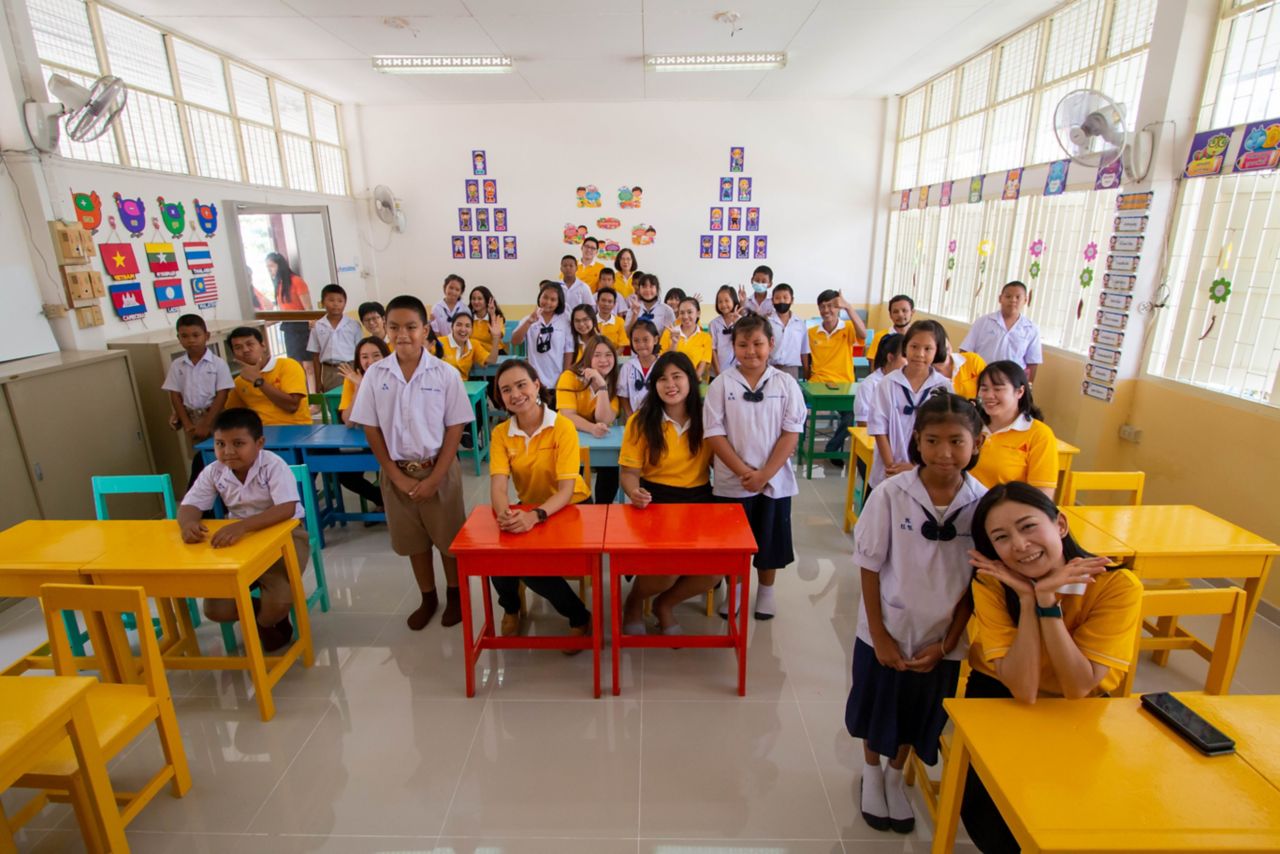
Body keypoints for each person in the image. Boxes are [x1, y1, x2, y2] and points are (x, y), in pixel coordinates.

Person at [963, 482, 1142, 853]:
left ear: (1060, 524)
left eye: (1029, 527)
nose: (1020, 545)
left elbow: (1078, 687)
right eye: (1001, 537)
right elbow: (1024, 690)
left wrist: (1045, 601)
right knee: (997, 825)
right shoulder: (992, 582)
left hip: (1077, 710)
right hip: (1000, 699)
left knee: (1076, 816)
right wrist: (1029, 603)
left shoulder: (1116, 586)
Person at [846, 389, 987, 835]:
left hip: (941, 637)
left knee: (916, 712)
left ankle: (895, 775)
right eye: (931, 441)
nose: (944, 453)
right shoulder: (891, 494)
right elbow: (869, 567)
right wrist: (881, 636)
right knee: (877, 706)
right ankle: (872, 771)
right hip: (887, 627)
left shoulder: (983, 504)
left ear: (977, 443)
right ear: (916, 441)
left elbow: (976, 584)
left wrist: (948, 642)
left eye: (956, 441)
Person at [349, 294, 474, 630]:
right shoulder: (376, 374)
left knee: (448, 540)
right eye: (394, 327)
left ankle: (455, 594)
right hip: (397, 472)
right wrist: (394, 475)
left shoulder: (445, 374)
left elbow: (455, 427)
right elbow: (371, 429)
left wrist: (436, 477)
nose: (402, 334)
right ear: (385, 330)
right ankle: (427, 596)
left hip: (439, 469)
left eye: (410, 327)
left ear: (426, 329)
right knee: (413, 540)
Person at [178, 407, 309, 652]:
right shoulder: (214, 471)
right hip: (239, 540)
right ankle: (263, 617)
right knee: (215, 609)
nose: (228, 452)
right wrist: (188, 524)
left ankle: (266, 622)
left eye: (238, 443)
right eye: (220, 444)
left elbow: (287, 508)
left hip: (285, 535)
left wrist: (242, 526)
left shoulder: (273, 465)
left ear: (259, 443)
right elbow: (190, 505)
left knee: (279, 601)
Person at [704, 313, 806, 620]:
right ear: (733, 345)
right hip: (732, 481)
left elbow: (792, 433)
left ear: (771, 344)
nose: (751, 351)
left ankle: (766, 593)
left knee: (770, 540)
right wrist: (742, 472)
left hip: (774, 480)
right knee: (731, 544)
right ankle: (734, 590)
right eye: (743, 344)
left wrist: (764, 474)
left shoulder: (786, 383)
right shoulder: (721, 384)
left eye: (758, 344)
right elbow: (713, 432)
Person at [488, 359, 593, 645]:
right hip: (529, 505)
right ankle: (511, 607)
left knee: (530, 567)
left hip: (573, 507)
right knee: (497, 555)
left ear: (536, 385)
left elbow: (566, 489)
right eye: (506, 389)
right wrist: (504, 515)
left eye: (521, 385)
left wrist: (535, 516)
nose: (515, 394)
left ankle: (580, 617)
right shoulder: (500, 433)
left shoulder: (562, 427)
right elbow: (498, 485)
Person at [619, 351, 717, 635]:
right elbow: (628, 473)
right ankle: (634, 602)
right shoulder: (640, 421)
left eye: (677, 376)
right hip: (655, 501)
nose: (670, 384)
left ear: (691, 379)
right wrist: (634, 492)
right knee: (667, 568)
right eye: (662, 379)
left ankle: (665, 604)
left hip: (699, 500)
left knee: (715, 569)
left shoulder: (707, 417)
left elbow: (719, 463)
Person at [867, 320, 951, 488]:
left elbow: (945, 432)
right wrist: (891, 467)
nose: (920, 354)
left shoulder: (944, 387)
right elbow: (879, 429)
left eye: (928, 349)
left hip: (926, 472)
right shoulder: (887, 383)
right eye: (914, 346)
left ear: (938, 351)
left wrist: (917, 468)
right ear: (905, 347)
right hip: (887, 472)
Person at [162, 313, 234, 486]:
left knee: (221, 456)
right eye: (184, 336)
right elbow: (175, 395)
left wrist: (207, 423)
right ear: (178, 338)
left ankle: (222, 491)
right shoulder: (177, 365)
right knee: (200, 457)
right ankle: (205, 495)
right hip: (191, 418)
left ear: (206, 336)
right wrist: (187, 423)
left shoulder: (217, 364)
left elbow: (222, 394)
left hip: (215, 416)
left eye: (196, 335)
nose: (191, 340)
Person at [971, 361, 1058, 497]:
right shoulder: (970, 425)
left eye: (998, 389)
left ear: (1020, 392)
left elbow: (1042, 496)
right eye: (984, 388)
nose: (988, 395)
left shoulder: (1039, 435)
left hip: (1006, 513)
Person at [556, 335, 621, 503]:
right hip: (570, 437)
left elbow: (604, 419)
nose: (603, 360)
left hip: (600, 440)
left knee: (611, 470)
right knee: (573, 478)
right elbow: (567, 415)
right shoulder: (569, 377)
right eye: (597, 355)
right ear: (587, 357)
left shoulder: (614, 380)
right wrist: (592, 428)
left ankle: (601, 508)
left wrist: (601, 386)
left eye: (608, 355)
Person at [808, 289, 868, 462]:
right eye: (822, 306)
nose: (826, 310)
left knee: (850, 415)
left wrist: (848, 307)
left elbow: (863, 334)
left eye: (831, 306)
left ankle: (832, 448)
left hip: (844, 385)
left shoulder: (848, 328)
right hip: (817, 384)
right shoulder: (812, 333)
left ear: (838, 308)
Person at [335, 336, 390, 513]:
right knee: (345, 476)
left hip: (392, 442)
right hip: (366, 442)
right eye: (364, 356)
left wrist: (365, 385)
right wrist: (359, 387)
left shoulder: (394, 376)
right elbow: (349, 421)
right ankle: (381, 499)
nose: (370, 361)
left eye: (376, 355)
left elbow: (388, 415)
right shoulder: (353, 379)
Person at [224, 326, 311, 425]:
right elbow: (231, 414)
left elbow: (292, 406)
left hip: (296, 431)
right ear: (234, 355)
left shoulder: (287, 365)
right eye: (238, 347)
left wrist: (258, 380)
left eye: (250, 344)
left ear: (263, 346)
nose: (246, 350)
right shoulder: (240, 381)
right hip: (260, 433)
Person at [960, 281, 1043, 381]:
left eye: (1018, 297)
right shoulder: (983, 322)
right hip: (982, 377)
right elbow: (965, 350)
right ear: (1000, 299)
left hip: (1013, 382)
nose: (1013, 300)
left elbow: (1032, 362)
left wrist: (1028, 386)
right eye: (1008, 296)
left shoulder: (1031, 329)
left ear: (1025, 300)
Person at [512, 281, 574, 390]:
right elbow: (515, 341)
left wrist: (564, 377)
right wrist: (529, 322)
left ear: (559, 302)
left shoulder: (565, 321)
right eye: (545, 297)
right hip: (534, 379)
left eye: (553, 299)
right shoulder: (528, 318)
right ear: (539, 297)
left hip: (557, 378)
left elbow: (568, 351)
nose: (548, 302)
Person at [307, 283, 362, 392]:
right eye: (331, 300)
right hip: (329, 370)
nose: (336, 304)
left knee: (352, 401)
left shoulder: (353, 325)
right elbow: (315, 355)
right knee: (333, 403)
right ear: (323, 303)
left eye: (340, 301)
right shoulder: (317, 326)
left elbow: (360, 352)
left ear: (345, 303)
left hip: (350, 368)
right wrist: (318, 381)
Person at [266, 253, 313, 377]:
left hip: (302, 327)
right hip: (289, 328)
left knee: (308, 365)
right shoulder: (279, 285)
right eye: (267, 267)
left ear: (280, 265)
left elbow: (308, 307)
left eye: (272, 266)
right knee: (295, 364)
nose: (270, 270)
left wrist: (311, 324)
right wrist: (267, 322)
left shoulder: (296, 281)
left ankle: (313, 393)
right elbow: (284, 311)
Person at [854, 334, 906, 428]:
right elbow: (863, 424)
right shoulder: (869, 385)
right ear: (890, 358)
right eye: (905, 356)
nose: (910, 361)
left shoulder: (909, 383)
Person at [660, 297, 713, 381]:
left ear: (698, 313)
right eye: (682, 313)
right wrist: (674, 343)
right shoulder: (669, 332)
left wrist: (690, 383)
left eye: (689, 312)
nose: (685, 316)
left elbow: (702, 365)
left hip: (694, 382)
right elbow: (664, 361)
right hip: (671, 381)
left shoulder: (706, 338)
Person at [768, 284, 810, 379]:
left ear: (792, 300)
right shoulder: (767, 322)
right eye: (777, 298)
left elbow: (804, 351)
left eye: (785, 297)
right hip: (770, 368)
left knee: (791, 393)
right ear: (772, 300)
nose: (781, 301)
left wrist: (807, 372)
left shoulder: (800, 324)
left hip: (792, 369)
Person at [440, 310, 499, 380]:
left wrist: (495, 337)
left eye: (467, 326)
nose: (463, 329)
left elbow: (491, 360)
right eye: (459, 325)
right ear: (452, 327)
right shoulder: (439, 342)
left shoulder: (473, 345)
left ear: (471, 329)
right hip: (441, 387)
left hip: (463, 386)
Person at [619, 319, 660, 417]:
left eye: (646, 340)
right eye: (636, 340)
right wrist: (630, 417)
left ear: (655, 340)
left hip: (659, 419)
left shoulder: (662, 365)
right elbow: (623, 395)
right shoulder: (627, 367)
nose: (641, 345)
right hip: (635, 417)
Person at [624, 273, 675, 337]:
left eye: (651, 286)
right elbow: (628, 335)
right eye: (644, 287)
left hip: (660, 346)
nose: (647, 290)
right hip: (637, 346)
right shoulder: (633, 308)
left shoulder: (667, 310)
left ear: (657, 289)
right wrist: (634, 315)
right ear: (639, 289)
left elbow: (670, 334)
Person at [866, 294, 914, 363]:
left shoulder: (918, 336)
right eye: (895, 312)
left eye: (904, 310)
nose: (900, 315)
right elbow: (874, 364)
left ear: (912, 312)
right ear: (890, 315)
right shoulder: (880, 336)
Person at [709, 284, 744, 376]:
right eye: (720, 301)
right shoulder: (714, 324)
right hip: (718, 372)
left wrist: (737, 323)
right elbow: (713, 349)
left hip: (739, 371)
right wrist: (717, 371)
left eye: (726, 301)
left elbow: (745, 341)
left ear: (734, 301)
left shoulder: (742, 321)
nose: (723, 304)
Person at [467, 286, 505, 355]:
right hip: (475, 355)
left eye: (480, 299)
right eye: (473, 299)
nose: (476, 302)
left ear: (487, 300)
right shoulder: (468, 318)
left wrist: (492, 315)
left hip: (495, 354)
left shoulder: (497, 318)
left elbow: (497, 336)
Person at [595, 286, 628, 351]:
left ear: (614, 304)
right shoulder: (591, 321)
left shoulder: (620, 321)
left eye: (610, 301)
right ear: (597, 302)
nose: (606, 304)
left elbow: (622, 345)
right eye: (603, 300)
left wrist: (611, 357)